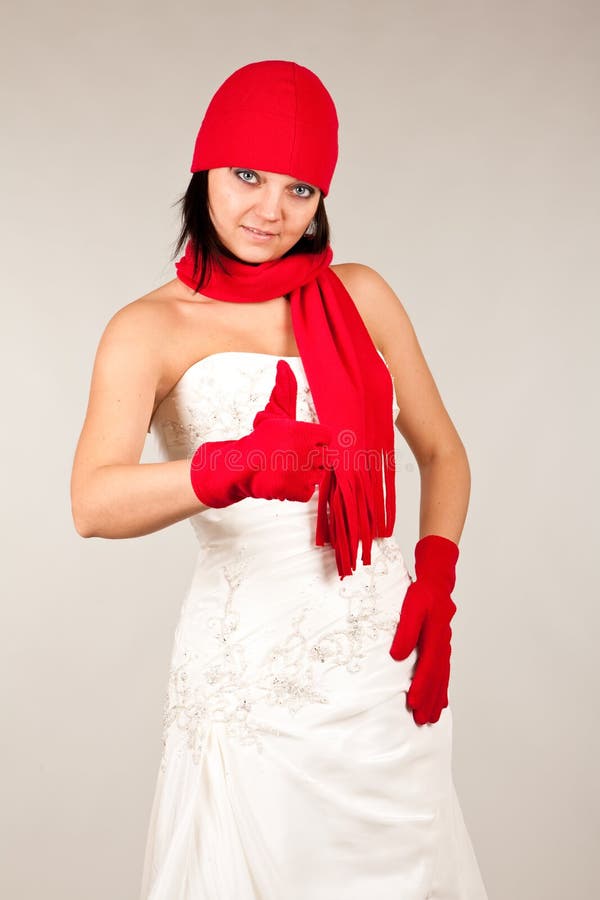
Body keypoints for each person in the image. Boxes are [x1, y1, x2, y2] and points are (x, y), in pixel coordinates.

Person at [70, 59, 489, 900]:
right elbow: (93, 502)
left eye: (300, 190)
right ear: (205, 172)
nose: (270, 210)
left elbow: (441, 450)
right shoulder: (149, 327)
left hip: (383, 669)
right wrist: (225, 467)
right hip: (251, 673)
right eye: (248, 176)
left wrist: (435, 581)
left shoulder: (360, 294)